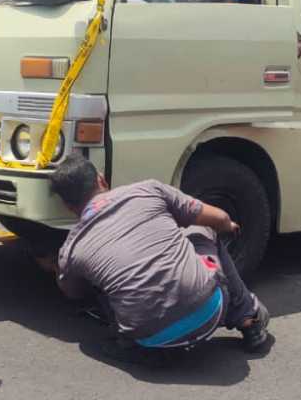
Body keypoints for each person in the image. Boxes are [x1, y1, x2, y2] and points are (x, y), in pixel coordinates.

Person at [48, 154, 271, 363]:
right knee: (200, 227)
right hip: (209, 311)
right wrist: (229, 226)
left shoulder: (72, 249)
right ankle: (247, 317)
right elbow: (220, 217)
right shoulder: (147, 190)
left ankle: (132, 343)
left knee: (97, 281)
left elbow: (74, 293)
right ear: (101, 180)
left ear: (67, 206)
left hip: (147, 339)